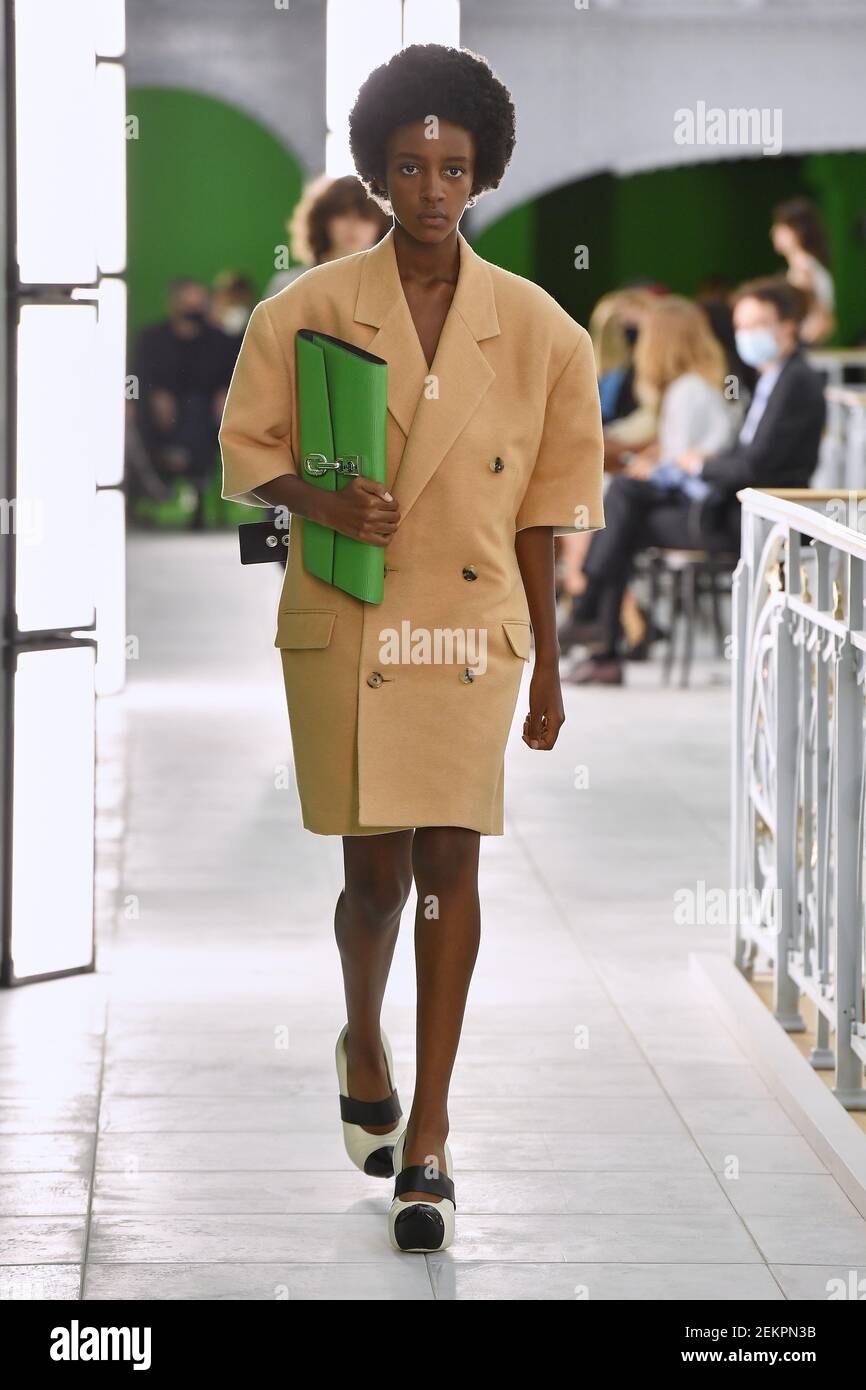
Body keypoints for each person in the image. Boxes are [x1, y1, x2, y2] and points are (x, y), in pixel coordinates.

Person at [218, 42, 605, 1254]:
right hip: (352, 623)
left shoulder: (542, 332)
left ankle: (428, 1140)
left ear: (483, 168)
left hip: (471, 630)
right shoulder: (307, 310)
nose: (432, 187)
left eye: (452, 165)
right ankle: (365, 1036)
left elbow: (545, 508)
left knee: (451, 863)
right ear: (374, 173)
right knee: (372, 879)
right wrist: (324, 503)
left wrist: (548, 663)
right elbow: (245, 453)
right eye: (407, 165)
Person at [564, 277, 826, 685]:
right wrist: (701, 463)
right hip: (733, 506)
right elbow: (745, 456)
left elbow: (756, 465)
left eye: (757, 324)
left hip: (748, 519)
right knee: (624, 502)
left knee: (624, 505)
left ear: (788, 325)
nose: (746, 335)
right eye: (740, 326)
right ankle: (599, 632)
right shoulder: (771, 378)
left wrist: (696, 465)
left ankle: (594, 621)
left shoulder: (795, 381)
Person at [560, 295, 738, 659]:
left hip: (700, 512)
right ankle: (603, 631)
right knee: (616, 515)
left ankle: (589, 610)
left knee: (615, 505)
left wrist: (650, 468)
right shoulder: (696, 387)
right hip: (697, 505)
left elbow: (686, 468)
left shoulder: (687, 392)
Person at [132, 279, 235, 529]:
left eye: (199, 301)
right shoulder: (152, 339)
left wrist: (226, 393)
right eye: (188, 301)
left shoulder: (219, 341)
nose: (194, 307)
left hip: (204, 413)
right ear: (173, 304)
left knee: (199, 408)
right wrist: (154, 395)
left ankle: (183, 463)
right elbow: (137, 376)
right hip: (157, 416)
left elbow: (232, 376)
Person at [263, 174, 390, 299]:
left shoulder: (389, 288)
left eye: (365, 218)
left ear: (381, 226)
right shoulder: (288, 286)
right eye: (343, 215)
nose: (354, 226)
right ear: (323, 219)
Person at [771, 197, 835, 345]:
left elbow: (822, 319)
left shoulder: (803, 269)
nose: (773, 232)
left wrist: (798, 346)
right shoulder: (807, 265)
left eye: (780, 227)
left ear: (797, 231)